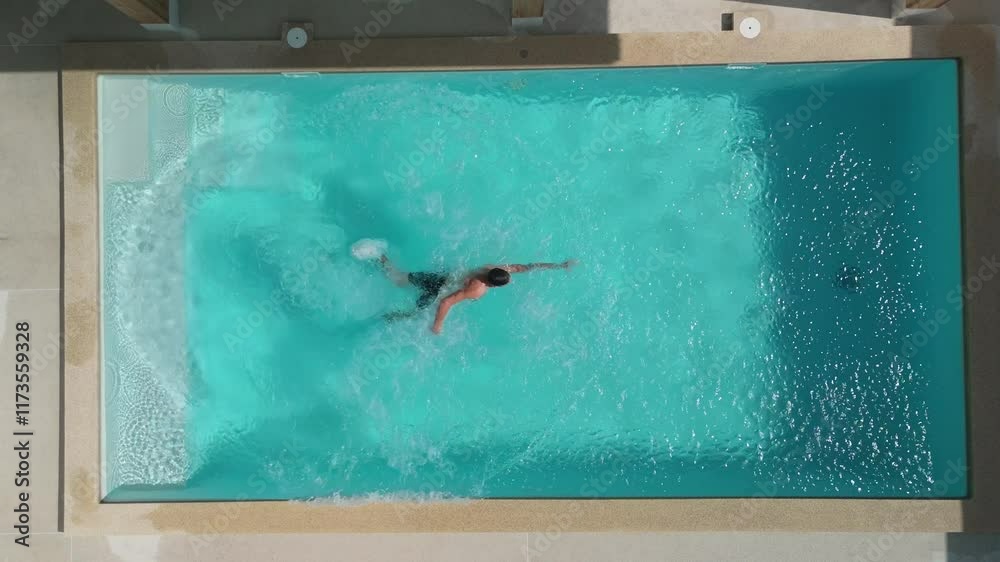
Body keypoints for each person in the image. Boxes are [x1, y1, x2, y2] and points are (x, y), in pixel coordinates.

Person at [378, 255, 577, 334]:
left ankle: (380, 257)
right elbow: (447, 301)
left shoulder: (493, 269)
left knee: (400, 278)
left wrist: (558, 266)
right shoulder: (477, 288)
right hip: (438, 293)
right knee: (415, 315)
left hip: (443, 279)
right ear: (493, 284)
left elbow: (525, 267)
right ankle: (387, 318)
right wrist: (438, 325)